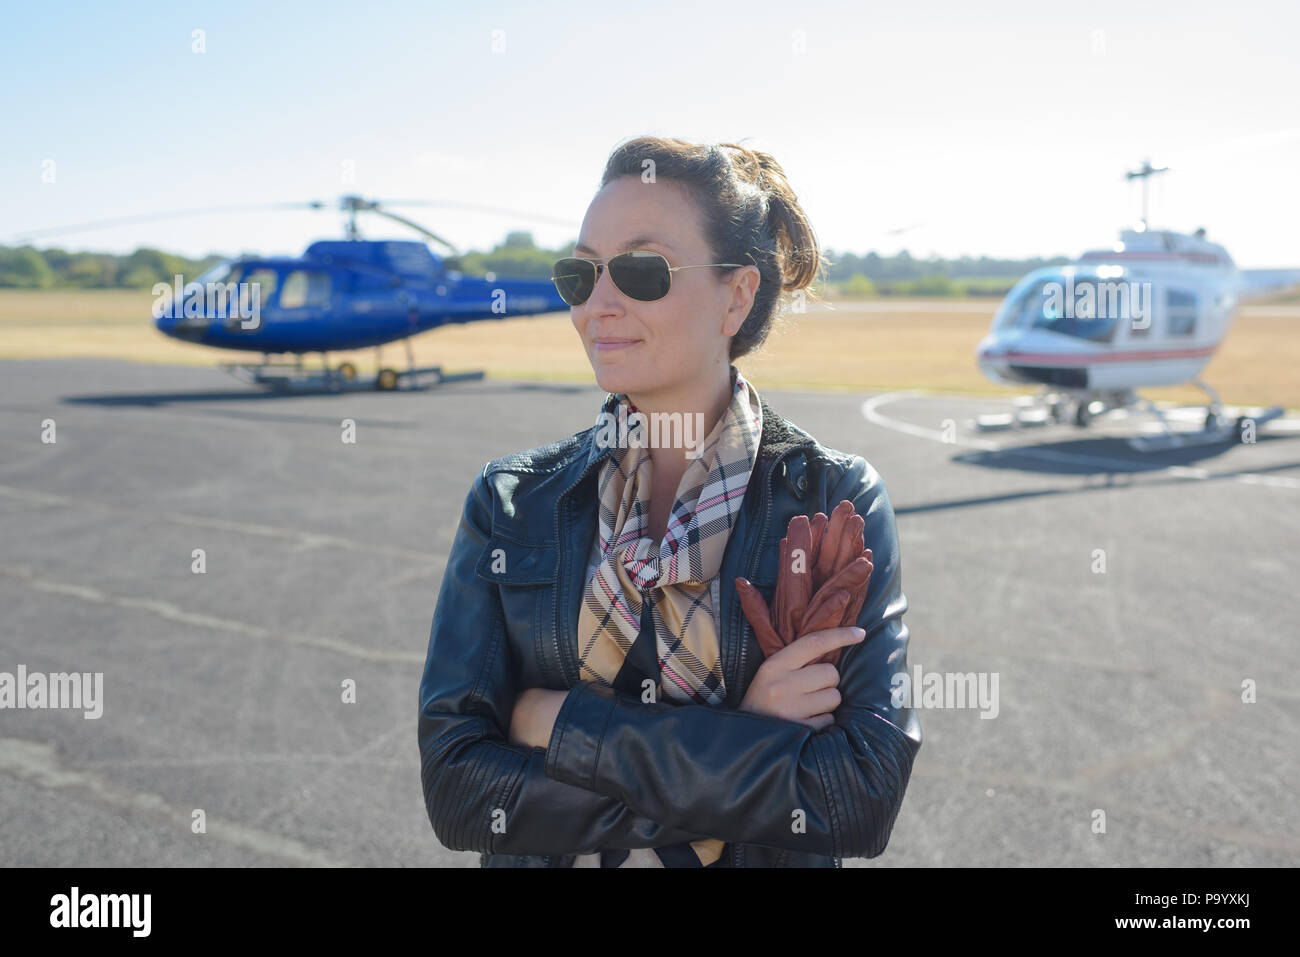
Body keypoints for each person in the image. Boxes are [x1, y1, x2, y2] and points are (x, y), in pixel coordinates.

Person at [417, 136, 921, 867]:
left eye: (641, 270)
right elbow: (460, 792)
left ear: (737, 295)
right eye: (579, 273)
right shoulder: (511, 499)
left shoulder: (831, 496)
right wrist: (742, 738)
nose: (599, 303)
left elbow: (855, 798)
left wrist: (554, 722)